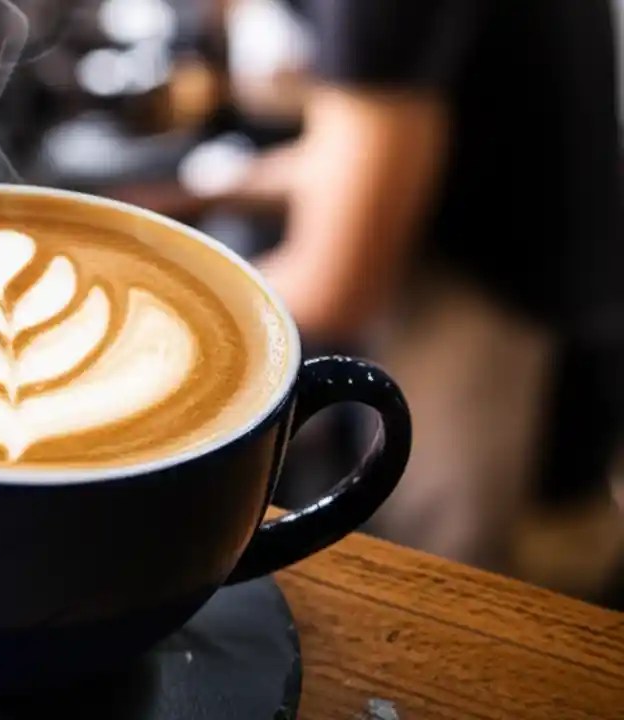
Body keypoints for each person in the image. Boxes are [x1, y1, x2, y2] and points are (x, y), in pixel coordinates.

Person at [177, 0, 623, 591]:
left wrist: (158, 312)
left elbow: (336, 288)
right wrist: (197, 195)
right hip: (538, 286)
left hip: (506, 375)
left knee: (451, 622)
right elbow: (367, 147)